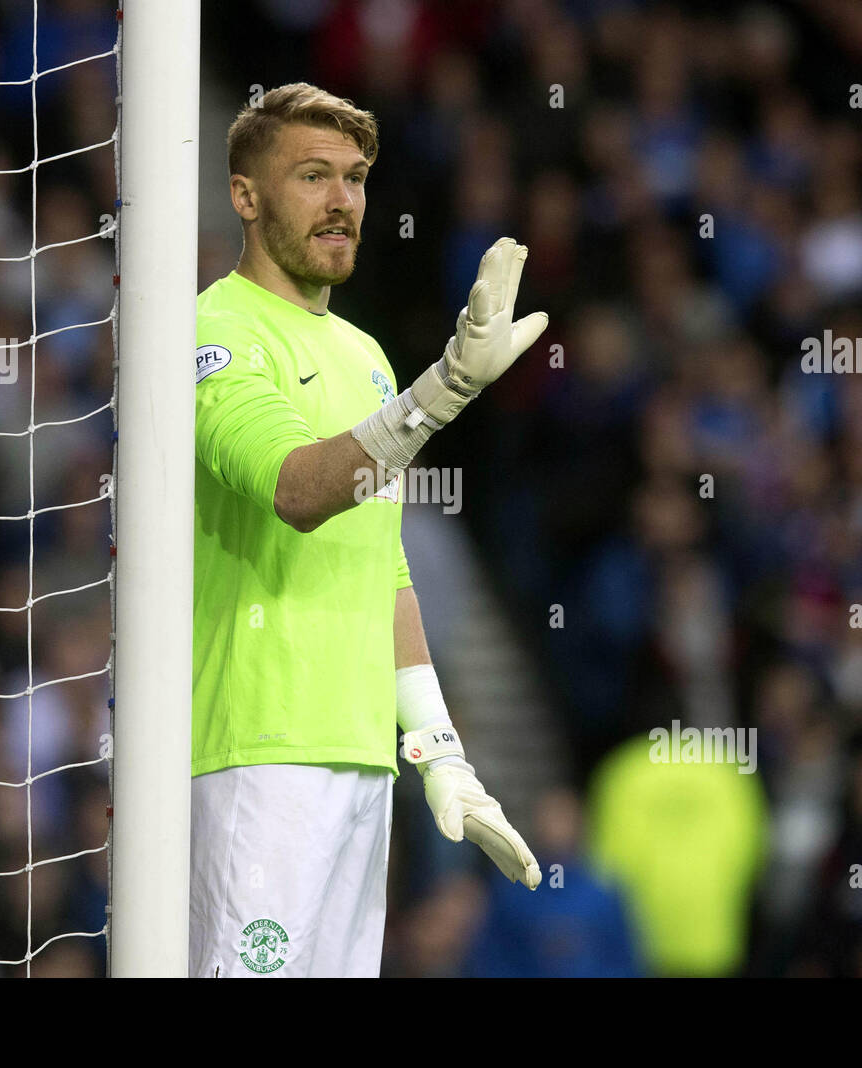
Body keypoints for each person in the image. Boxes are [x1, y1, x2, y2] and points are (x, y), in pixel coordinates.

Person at [188, 82, 547, 978]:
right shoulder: (214, 330)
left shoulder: (365, 356)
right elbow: (295, 488)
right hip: (256, 756)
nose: (343, 200)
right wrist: (447, 392)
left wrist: (440, 752)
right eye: (312, 176)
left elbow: (380, 571)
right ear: (245, 195)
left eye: (354, 178)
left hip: (360, 763)